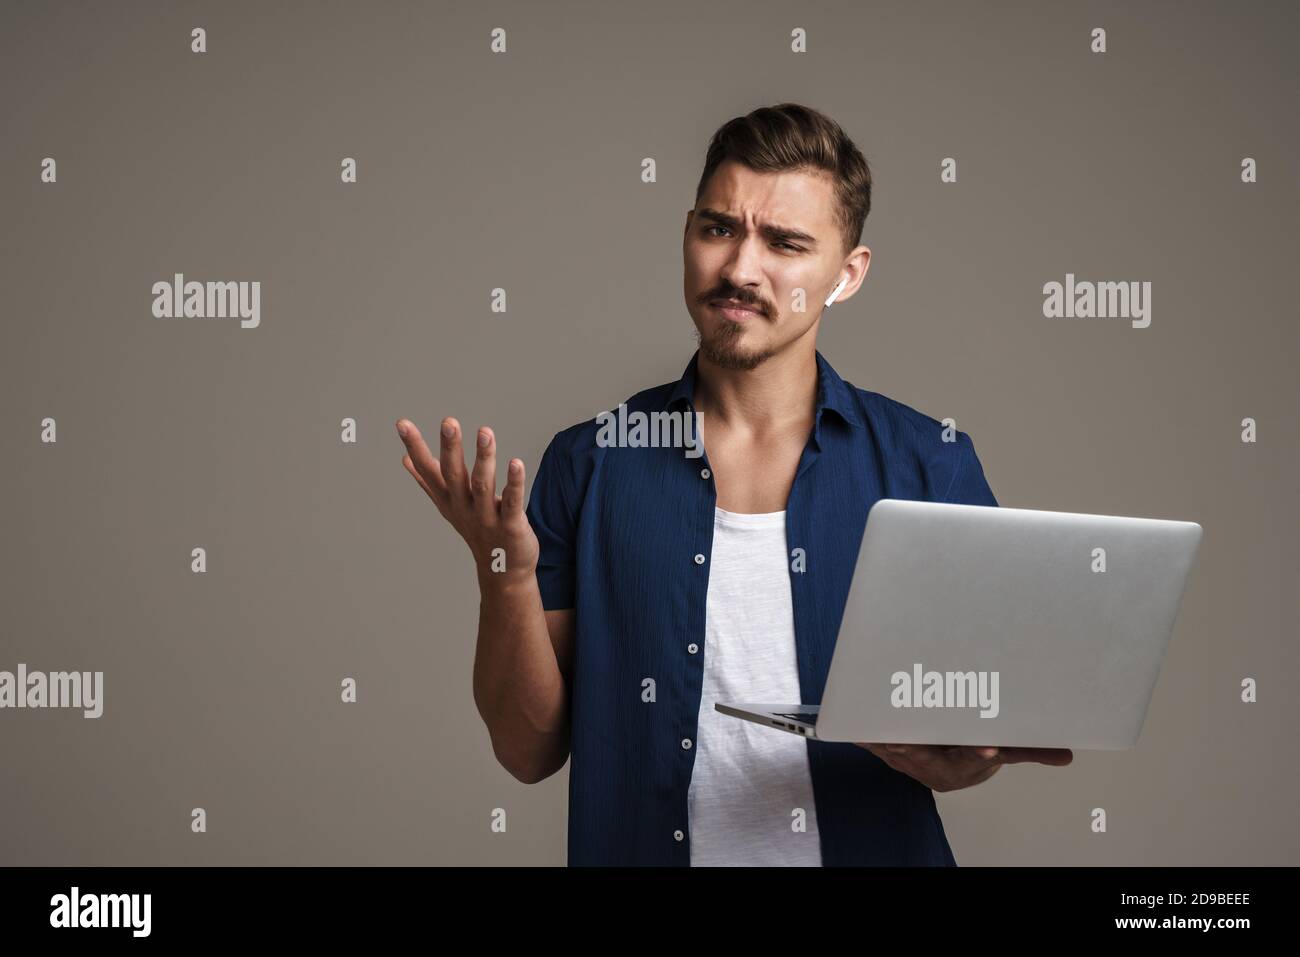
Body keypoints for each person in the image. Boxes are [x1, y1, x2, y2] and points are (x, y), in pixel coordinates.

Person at [396, 103, 1072, 866]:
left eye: (785, 242)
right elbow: (526, 750)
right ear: (687, 233)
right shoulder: (591, 462)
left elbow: (976, 726)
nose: (740, 270)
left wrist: (967, 756)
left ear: (847, 274)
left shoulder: (928, 465)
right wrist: (506, 576)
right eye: (719, 229)